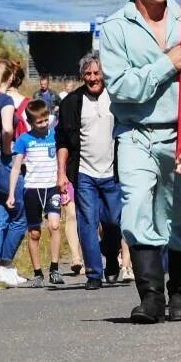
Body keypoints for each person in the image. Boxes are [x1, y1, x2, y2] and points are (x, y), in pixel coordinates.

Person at [101, 0, 181, 324]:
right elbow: (122, 88)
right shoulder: (114, 28)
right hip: (135, 132)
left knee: (179, 217)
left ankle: (180, 296)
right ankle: (151, 298)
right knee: (137, 205)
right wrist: (165, 65)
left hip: (180, 133)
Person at [56, 51, 123, 290]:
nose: (93, 78)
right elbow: (62, 141)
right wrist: (61, 173)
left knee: (114, 221)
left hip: (114, 172)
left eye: (97, 73)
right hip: (85, 173)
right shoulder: (71, 103)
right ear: (82, 76)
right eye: (88, 74)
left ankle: (111, 258)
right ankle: (94, 273)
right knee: (87, 221)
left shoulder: (117, 97)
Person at [0, 59, 30, 287]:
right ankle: (6, 263)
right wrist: (9, 150)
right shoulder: (7, 100)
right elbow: (8, 128)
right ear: (10, 78)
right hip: (5, 161)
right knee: (20, 216)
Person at [7, 98, 65, 285]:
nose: (43, 124)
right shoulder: (24, 140)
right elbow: (16, 168)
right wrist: (11, 193)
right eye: (39, 122)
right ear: (30, 123)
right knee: (34, 233)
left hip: (51, 187)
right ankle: (38, 273)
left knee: (55, 225)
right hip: (32, 189)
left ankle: (55, 269)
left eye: (45, 120)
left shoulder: (55, 136)